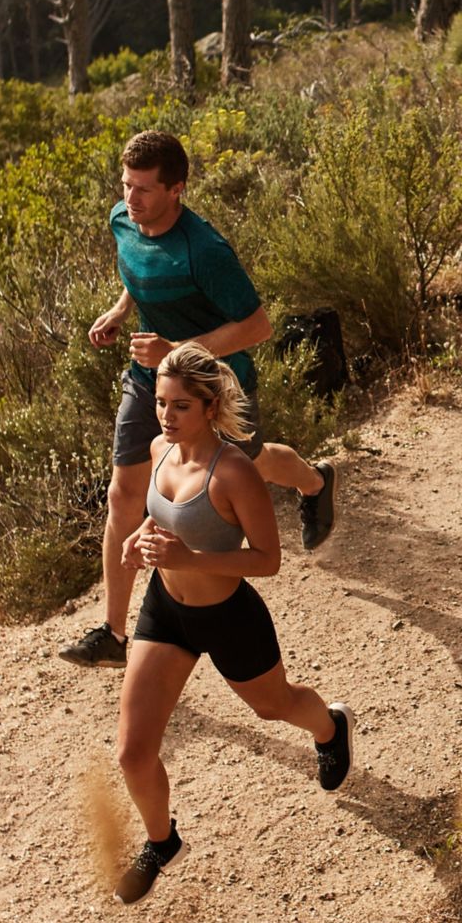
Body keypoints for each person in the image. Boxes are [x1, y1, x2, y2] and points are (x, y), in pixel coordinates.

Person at [63, 128, 335, 670]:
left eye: (144, 190)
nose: (131, 199)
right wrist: (121, 311)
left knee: (251, 466)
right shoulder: (124, 219)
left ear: (177, 189)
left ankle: (315, 481)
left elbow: (257, 325)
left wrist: (176, 347)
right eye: (126, 186)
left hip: (217, 387)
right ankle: (114, 635)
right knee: (124, 494)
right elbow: (133, 266)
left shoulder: (205, 251)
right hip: (150, 382)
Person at [106, 343, 350, 902]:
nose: (166, 416)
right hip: (166, 612)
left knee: (275, 705)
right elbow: (157, 517)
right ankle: (162, 841)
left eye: (181, 406)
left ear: (210, 407)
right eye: (162, 403)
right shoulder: (158, 449)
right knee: (132, 751)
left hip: (228, 616)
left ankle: (331, 728)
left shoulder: (234, 471)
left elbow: (267, 559)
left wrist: (189, 558)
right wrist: (139, 542)